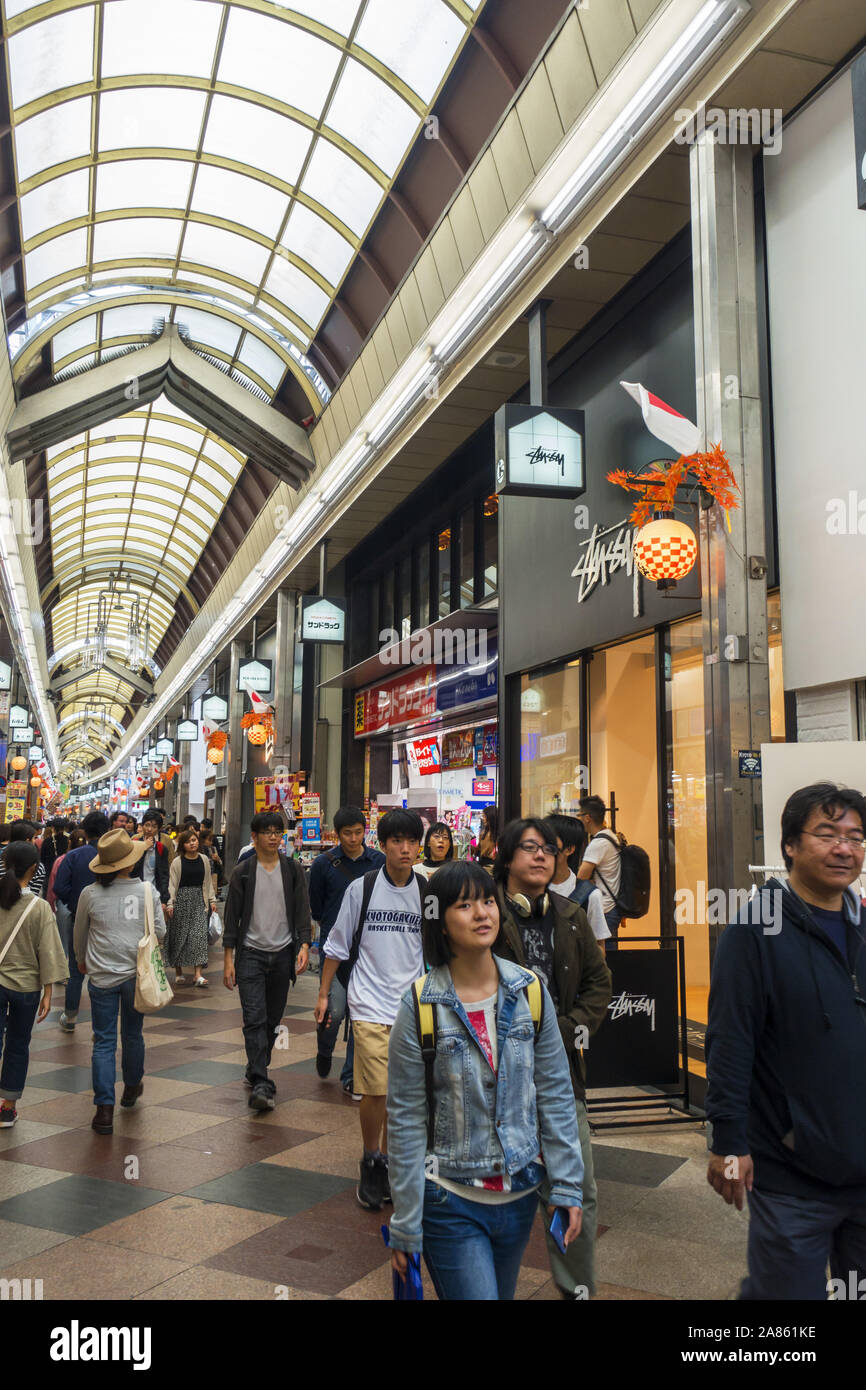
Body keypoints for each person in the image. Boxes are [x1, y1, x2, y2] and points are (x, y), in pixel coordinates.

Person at [387, 860, 585, 1300]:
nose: (483, 913)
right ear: (439, 921)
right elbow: (404, 1118)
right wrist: (405, 1220)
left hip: (519, 1195)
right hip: (449, 1200)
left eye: (488, 901)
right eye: (464, 905)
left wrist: (567, 1186)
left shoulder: (529, 991)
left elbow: (554, 1091)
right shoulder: (420, 1005)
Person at [705, 782, 866, 1301]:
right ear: (790, 845)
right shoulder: (754, 929)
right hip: (792, 1168)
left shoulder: (864, 925)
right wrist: (728, 1142)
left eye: (856, 837)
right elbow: (730, 1041)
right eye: (827, 834)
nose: (844, 848)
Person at [492, 816, 612, 1299]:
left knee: (576, 1191)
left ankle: (575, 1290)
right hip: (494, 1075)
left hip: (561, 1072)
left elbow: (598, 983)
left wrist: (561, 1033)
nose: (542, 856)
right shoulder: (483, 911)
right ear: (506, 858)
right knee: (493, 1191)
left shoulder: (570, 915)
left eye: (548, 848)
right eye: (529, 848)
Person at [316, 809, 426, 1211]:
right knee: (376, 1089)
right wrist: (325, 993)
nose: (405, 848)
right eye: (397, 841)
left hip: (414, 1007)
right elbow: (337, 945)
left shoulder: (427, 892)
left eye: (412, 841)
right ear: (383, 845)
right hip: (369, 1003)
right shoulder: (362, 889)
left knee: (407, 1094)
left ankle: (397, 1167)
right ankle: (371, 1157)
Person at [73, 829, 166, 1135]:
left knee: (103, 1041)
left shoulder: (90, 894)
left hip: (101, 977)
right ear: (130, 862)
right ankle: (131, 1086)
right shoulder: (147, 891)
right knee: (133, 1034)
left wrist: (81, 959)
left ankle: (103, 1109)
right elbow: (161, 933)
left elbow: (80, 934)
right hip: (137, 976)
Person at [223, 811, 311, 1111]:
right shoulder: (243, 872)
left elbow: (302, 911)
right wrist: (228, 959)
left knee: (272, 1020)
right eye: (267, 831)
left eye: (278, 831)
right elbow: (231, 918)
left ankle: (255, 1064)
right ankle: (261, 1080)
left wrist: (304, 945)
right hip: (250, 954)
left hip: (283, 953)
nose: (274, 836)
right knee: (255, 1018)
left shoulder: (293, 869)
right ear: (255, 837)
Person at [308, 806, 384, 1095]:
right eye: (347, 833)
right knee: (335, 1010)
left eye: (358, 832)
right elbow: (316, 906)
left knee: (361, 1016)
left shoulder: (378, 861)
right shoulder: (323, 864)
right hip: (334, 948)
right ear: (337, 835)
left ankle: (352, 1075)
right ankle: (325, 1047)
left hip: (368, 948)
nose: (353, 838)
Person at [0, 842, 69, 1129]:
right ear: (34, 869)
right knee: (18, 1045)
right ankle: (8, 1108)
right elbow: (49, 951)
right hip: (26, 987)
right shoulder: (40, 908)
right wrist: (49, 990)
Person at [53, 810, 109, 1032]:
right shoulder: (112, 855)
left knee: (76, 970)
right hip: (108, 920)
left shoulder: (74, 856)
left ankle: (70, 1017)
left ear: (85, 831)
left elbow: (59, 888)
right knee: (104, 971)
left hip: (79, 919)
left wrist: (75, 902)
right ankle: (102, 1022)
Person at [546, 813, 610, 945]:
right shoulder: (530, 886)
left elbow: (599, 949)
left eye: (549, 843)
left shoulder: (589, 895)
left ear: (569, 849)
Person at [166, 828, 217, 988]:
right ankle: (179, 972)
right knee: (179, 937)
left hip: (199, 901)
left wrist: (212, 900)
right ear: (183, 845)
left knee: (199, 937)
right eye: (188, 842)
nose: (192, 843)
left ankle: (198, 975)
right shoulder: (177, 862)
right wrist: (170, 903)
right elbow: (172, 884)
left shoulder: (204, 860)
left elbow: (207, 882)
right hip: (181, 901)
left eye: (194, 840)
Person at [577, 794, 624, 949]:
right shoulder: (610, 836)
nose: (579, 818)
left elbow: (580, 878)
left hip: (604, 910)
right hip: (611, 907)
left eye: (580, 815)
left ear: (587, 817)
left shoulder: (598, 843)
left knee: (602, 961)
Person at [131, 809, 172, 907]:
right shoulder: (134, 843)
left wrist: (164, 899)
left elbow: (164, 875)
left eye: (154, 826)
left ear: (158, 829)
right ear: (142, 825)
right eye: (147, 825)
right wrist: (143, 848)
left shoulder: (161, 848)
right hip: (135, 892)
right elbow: (132, 870)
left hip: (154, 892)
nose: (149, 829)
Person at [0, 822, 47, 897]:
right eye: (34, 838)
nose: (35, 841)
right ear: (27, 841)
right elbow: (34, 894)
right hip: (27, 906)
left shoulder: (3, 859)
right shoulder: (37, 866)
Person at [476, 805, 499, 871]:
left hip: (492, 866)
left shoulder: (499, 833)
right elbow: (478, 850)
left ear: (490, 817)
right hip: (482, 864)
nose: (483, 819)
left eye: (484, 816)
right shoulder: (483, 833)